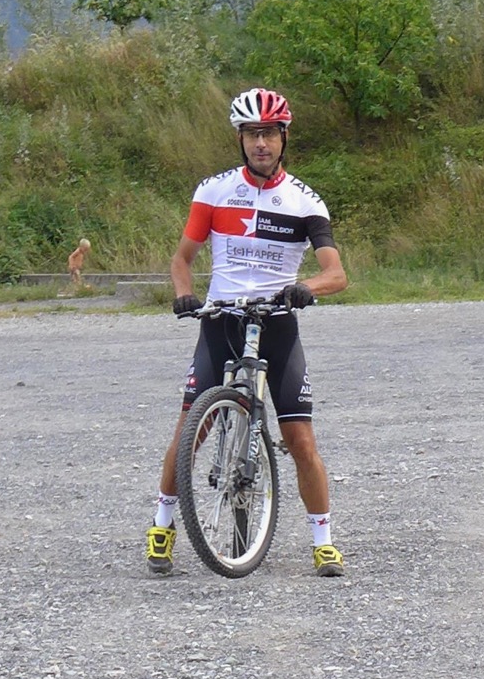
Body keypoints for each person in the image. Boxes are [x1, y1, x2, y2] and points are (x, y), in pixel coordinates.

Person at [147, 88, 347, 578]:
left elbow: (336, 273)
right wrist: (183, 293)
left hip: (277, 324)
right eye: (253, 134)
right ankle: (162, 524)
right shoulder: (213, 191)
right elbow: (182, 259)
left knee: (300, 438)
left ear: (284, 138)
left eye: (271, 134)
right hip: (221, 319)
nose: (262, 143)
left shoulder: (304, 201)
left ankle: (322, 540)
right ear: (240, 139)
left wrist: (305, 287)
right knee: (190, 429)